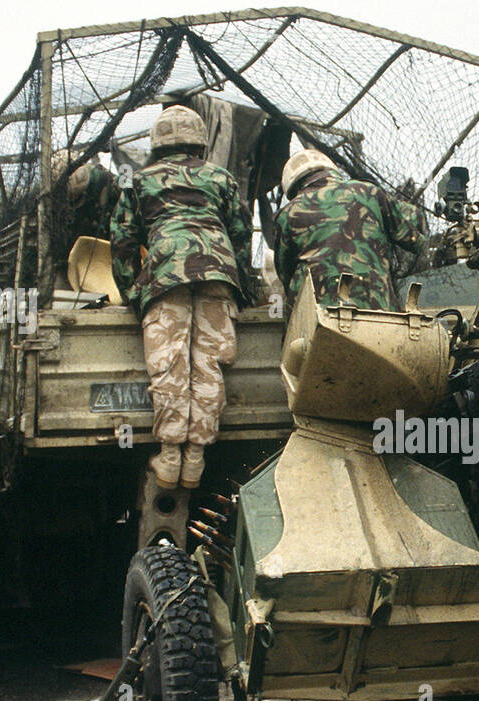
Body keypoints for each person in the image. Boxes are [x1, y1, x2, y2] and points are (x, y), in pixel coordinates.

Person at [111, 106, 255, 491]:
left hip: (164, 274)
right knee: (209, 365)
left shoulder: (140, 181)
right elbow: (241, 235)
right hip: (218, 271)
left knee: (170, 365)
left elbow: (123, 240)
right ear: (199, 141)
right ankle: (196, 457)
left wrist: (131, 292)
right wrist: (244, 287)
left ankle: (170, 453)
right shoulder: (220, 177)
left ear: (157, 144)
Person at [274, 148, 424, 312]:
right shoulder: (369, 192)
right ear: (330, 170)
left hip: (318, 314)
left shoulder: (287, 214)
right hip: (378, 308)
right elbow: (412, 239)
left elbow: (285, 273)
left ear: (293, 186)